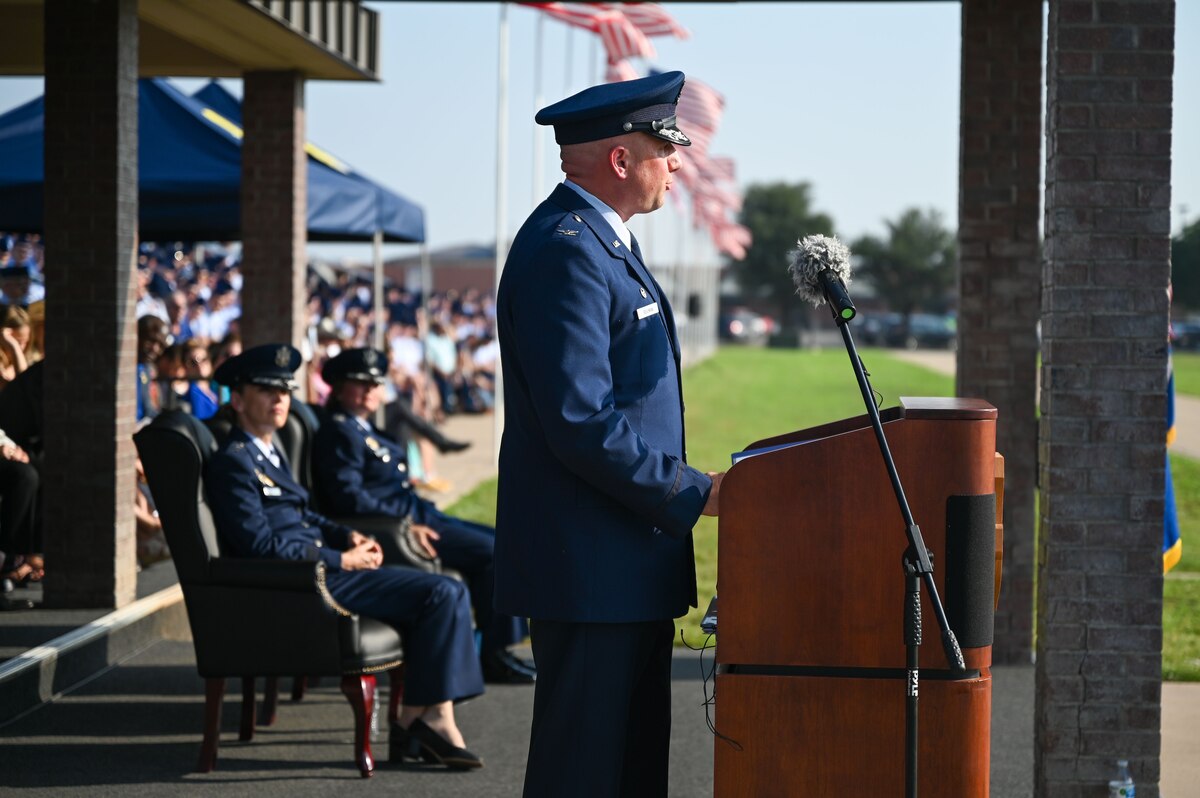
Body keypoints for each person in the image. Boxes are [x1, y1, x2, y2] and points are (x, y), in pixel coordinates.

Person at [495, 71, 725, 797]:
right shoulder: (567, 250)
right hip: (590, 566)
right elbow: (580, 421)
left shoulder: (601, 241)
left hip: (622, 564)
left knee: (626, 769)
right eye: (666, 147)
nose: (678, 162)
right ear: (622, 160)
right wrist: (695, 492)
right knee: (583, 771)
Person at [204, 344, 484, 769]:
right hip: (307, 584)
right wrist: (340, 559)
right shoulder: (234, 463)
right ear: (238, 400)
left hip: (318, 569)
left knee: (446, 591)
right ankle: (424, 721)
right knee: (442, 593)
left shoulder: (266, 451)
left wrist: (347, 534)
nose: (280, 398)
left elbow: (302, 513)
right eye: (265, 390)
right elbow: (259, 547)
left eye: (284, 390)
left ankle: (423, 718)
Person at [312, 348, 534, 684]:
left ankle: (497, 648)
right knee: (493, 552)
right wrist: (403, 525)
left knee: (499, 540)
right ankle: (493, 654)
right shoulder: (339, 431)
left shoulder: (363, 428)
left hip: (417, 513)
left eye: (374, 384)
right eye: (360, 384)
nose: (370, 391)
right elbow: (348, 496)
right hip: (400, 525)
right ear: (339, 389)